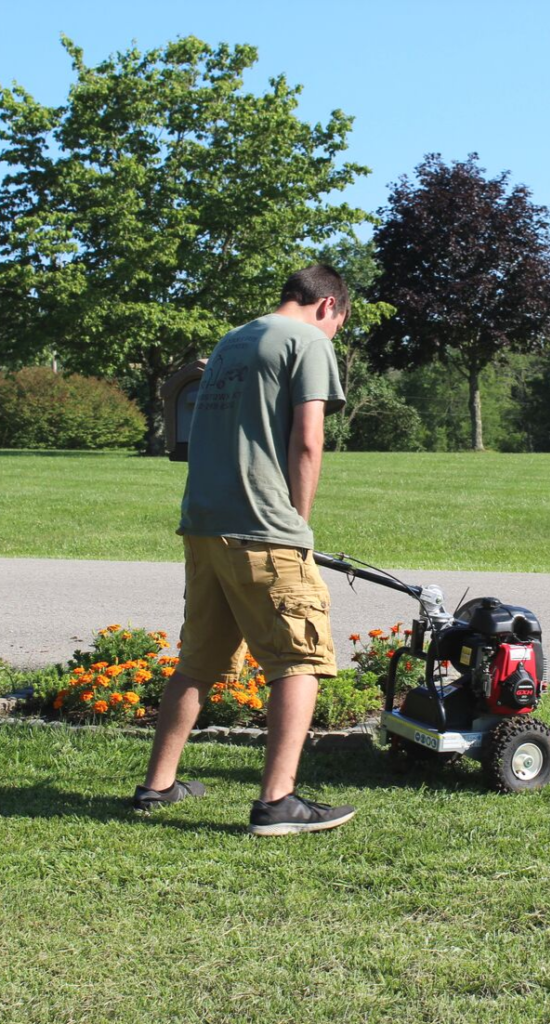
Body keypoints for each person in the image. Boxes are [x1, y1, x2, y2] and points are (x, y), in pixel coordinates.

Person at [133, 265, 355, 835]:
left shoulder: (233, 340)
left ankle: (158, 786)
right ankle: (278, 803)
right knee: (300, 659)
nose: (333, 336)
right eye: (339, 325)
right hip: (262, 526)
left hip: (205, 525)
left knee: (197, 662)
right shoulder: (307, 340)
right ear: (328, 305)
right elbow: (307, 440)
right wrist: (296, 526)